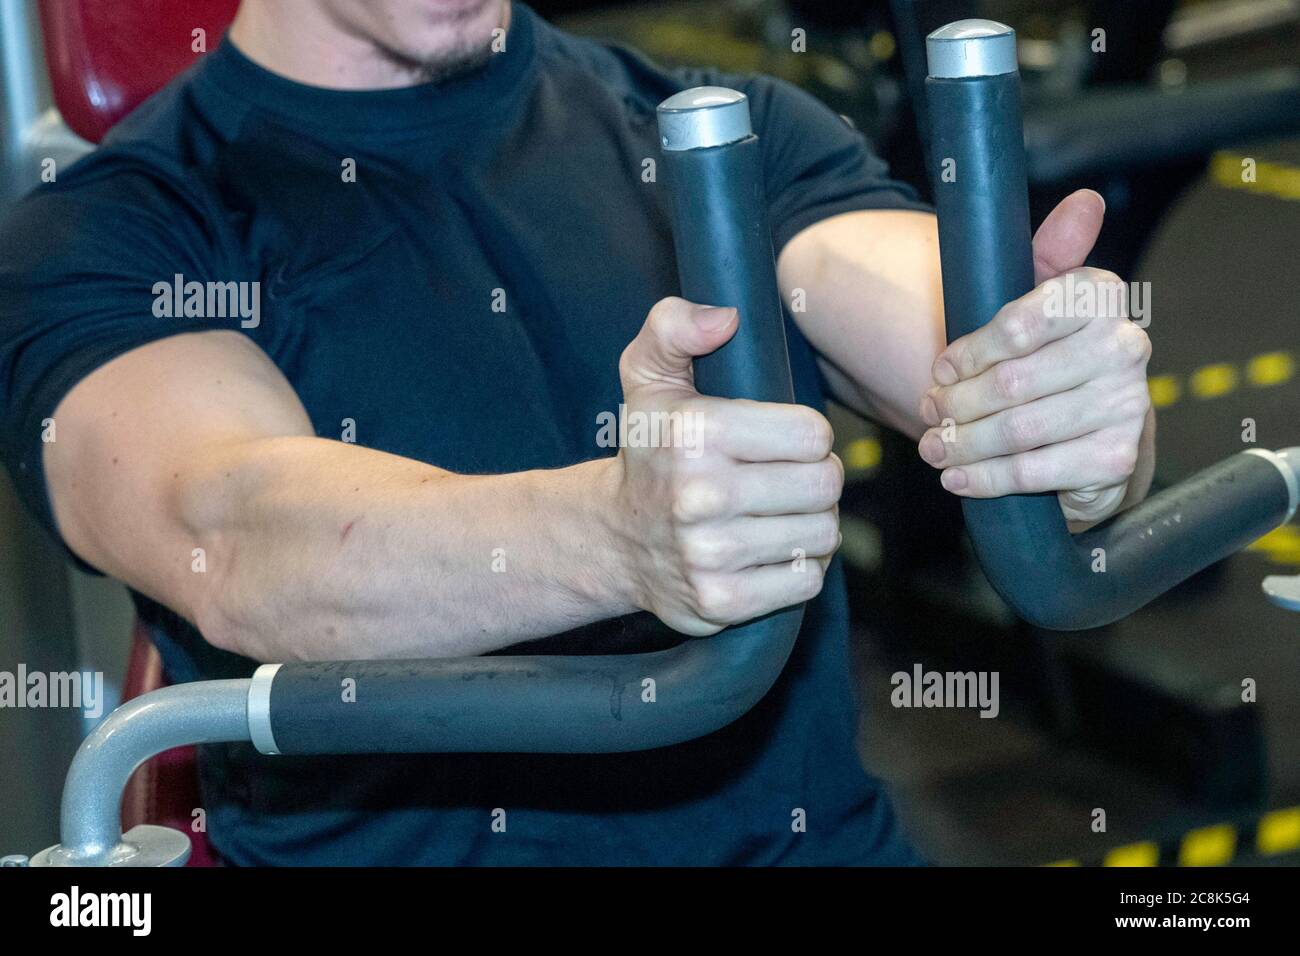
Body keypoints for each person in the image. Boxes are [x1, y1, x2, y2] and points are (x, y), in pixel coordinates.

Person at [0, 0, 1153, 865]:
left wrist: (1061, 403)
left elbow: (949, 337)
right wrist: (614, 534)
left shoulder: (720, 131)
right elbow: (240, 534)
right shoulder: (114, 231)